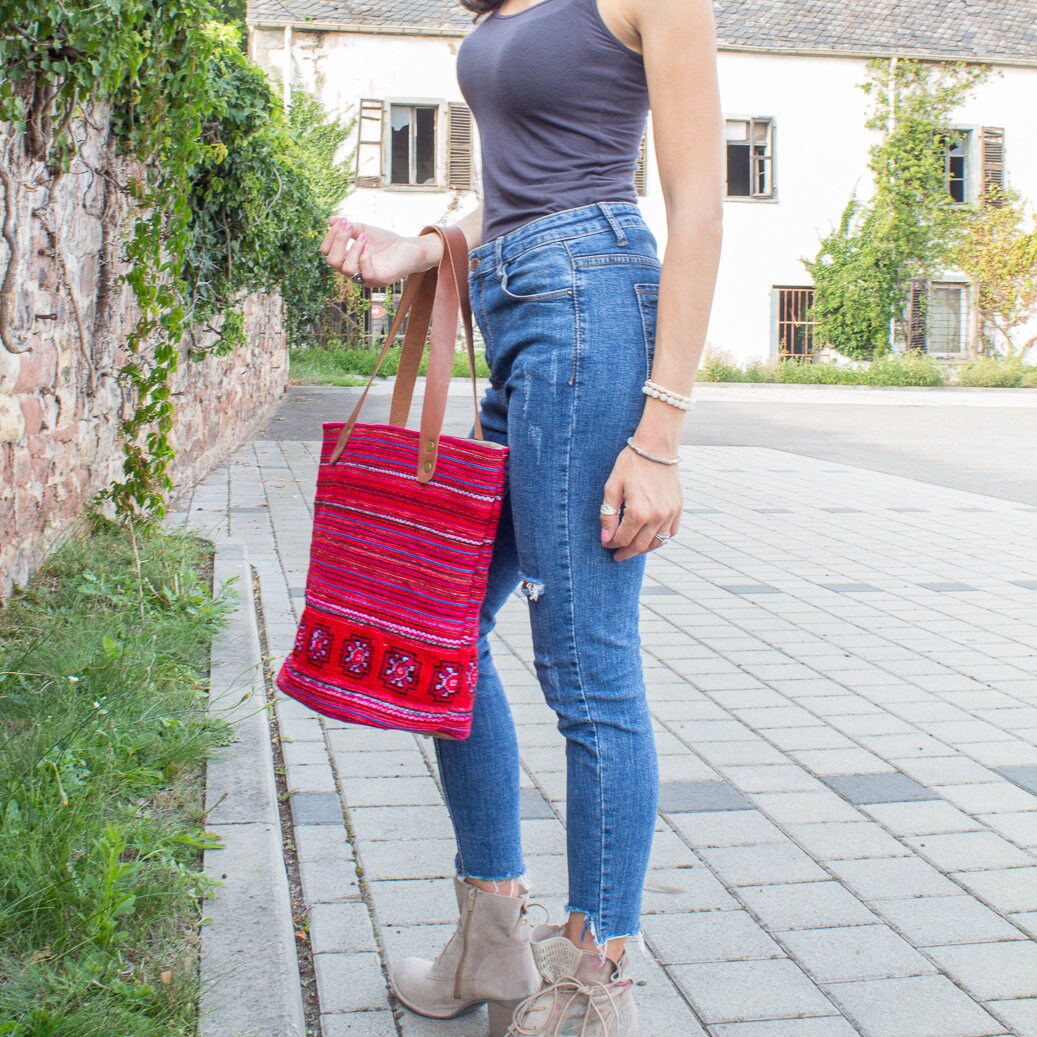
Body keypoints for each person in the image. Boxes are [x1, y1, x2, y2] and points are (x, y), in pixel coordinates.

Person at [320, 0, 722, 1032]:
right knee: (440, 630)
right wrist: (417, 251)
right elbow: (518, 189)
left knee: (584, 662)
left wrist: (660, 434)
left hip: (589, 311)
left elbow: (697, 206)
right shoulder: (506, 8)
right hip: (516, 311)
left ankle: (592, 980)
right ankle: (491, 934)